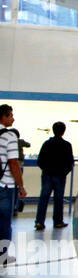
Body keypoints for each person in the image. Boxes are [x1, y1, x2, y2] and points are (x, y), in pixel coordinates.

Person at [35, 121, 74, 230]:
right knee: (58, 199)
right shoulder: (67, 145)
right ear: (63, 131)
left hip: (47, 174)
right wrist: (64, 172)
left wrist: (45, 170)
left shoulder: (47, 144)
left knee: (44, 198)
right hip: (60, 176)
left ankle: (39, 222)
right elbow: (70, 162)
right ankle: (58, 221)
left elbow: (40, 160)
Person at [0, 104, 24, 266]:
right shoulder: (9, 136)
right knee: (3, 222)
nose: (13, 119)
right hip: (4, 185)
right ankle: (2, 256)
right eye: (11, 115)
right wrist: (21, 186)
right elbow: (13, 162)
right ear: (4, 117)